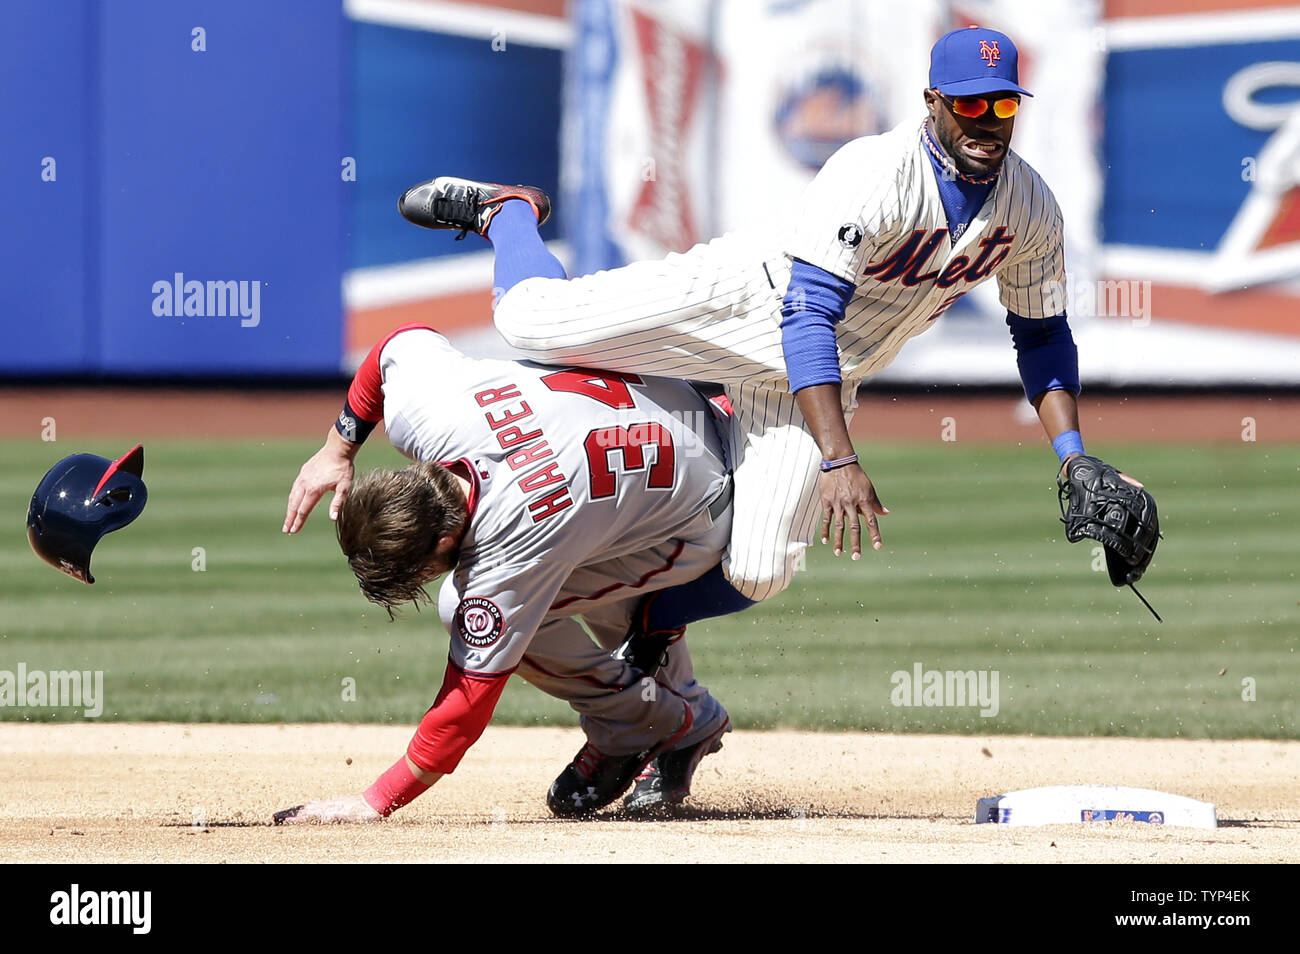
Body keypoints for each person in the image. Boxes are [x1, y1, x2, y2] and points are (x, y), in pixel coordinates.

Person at [396, 26, 1144, 656]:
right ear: (933, 103)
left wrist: (1072, 455)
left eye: (1003, 103)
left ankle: (652, 636)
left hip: (814, 377)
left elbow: (1042, 335)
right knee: (528, 321)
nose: (988, 120)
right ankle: (509, 213)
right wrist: (839, 457)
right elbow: (807, 313)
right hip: (740, 302)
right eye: (970, 103)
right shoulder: (876, 173)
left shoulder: (1033, 207)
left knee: (760, 570)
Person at [275, 323, 735, 822]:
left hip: (707, 510)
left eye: (419, 573)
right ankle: (666, 715)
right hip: (689, 403)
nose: (424, 582)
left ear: (444, 542)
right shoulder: (429, 415)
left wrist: (374, 802)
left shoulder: (506, 550)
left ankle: (648, 722)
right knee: (573, 542)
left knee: (473, 606)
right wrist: (339, 447)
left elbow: (465, 707)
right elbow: (395, 345)